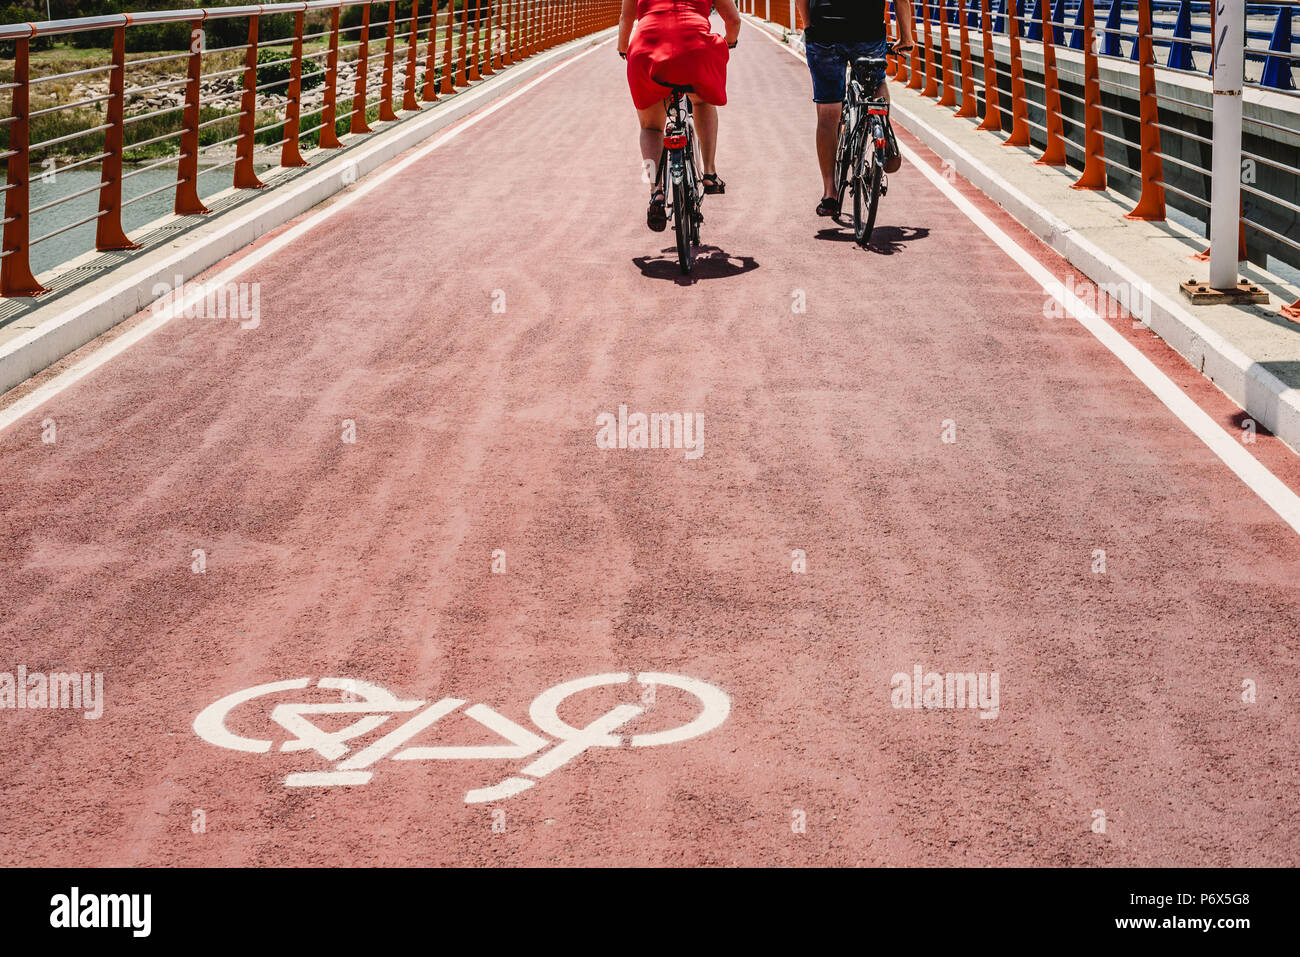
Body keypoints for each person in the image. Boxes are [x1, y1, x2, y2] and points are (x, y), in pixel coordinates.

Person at [619, 0, 742, 231]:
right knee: (703, 101)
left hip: (647, 51)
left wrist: (623, 48)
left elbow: (626, 18)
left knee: (651, 128)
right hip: (694, 49)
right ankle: (710, 173)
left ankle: (655, 190)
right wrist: (731, 41)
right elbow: (733, 20)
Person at [796, 0, 915, 217]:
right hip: (867, 30)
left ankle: (830, 194)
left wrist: (808, 27)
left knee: (828, 112)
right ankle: (882, 129)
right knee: (877, 84)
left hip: (824, 31)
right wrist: (906, 36)